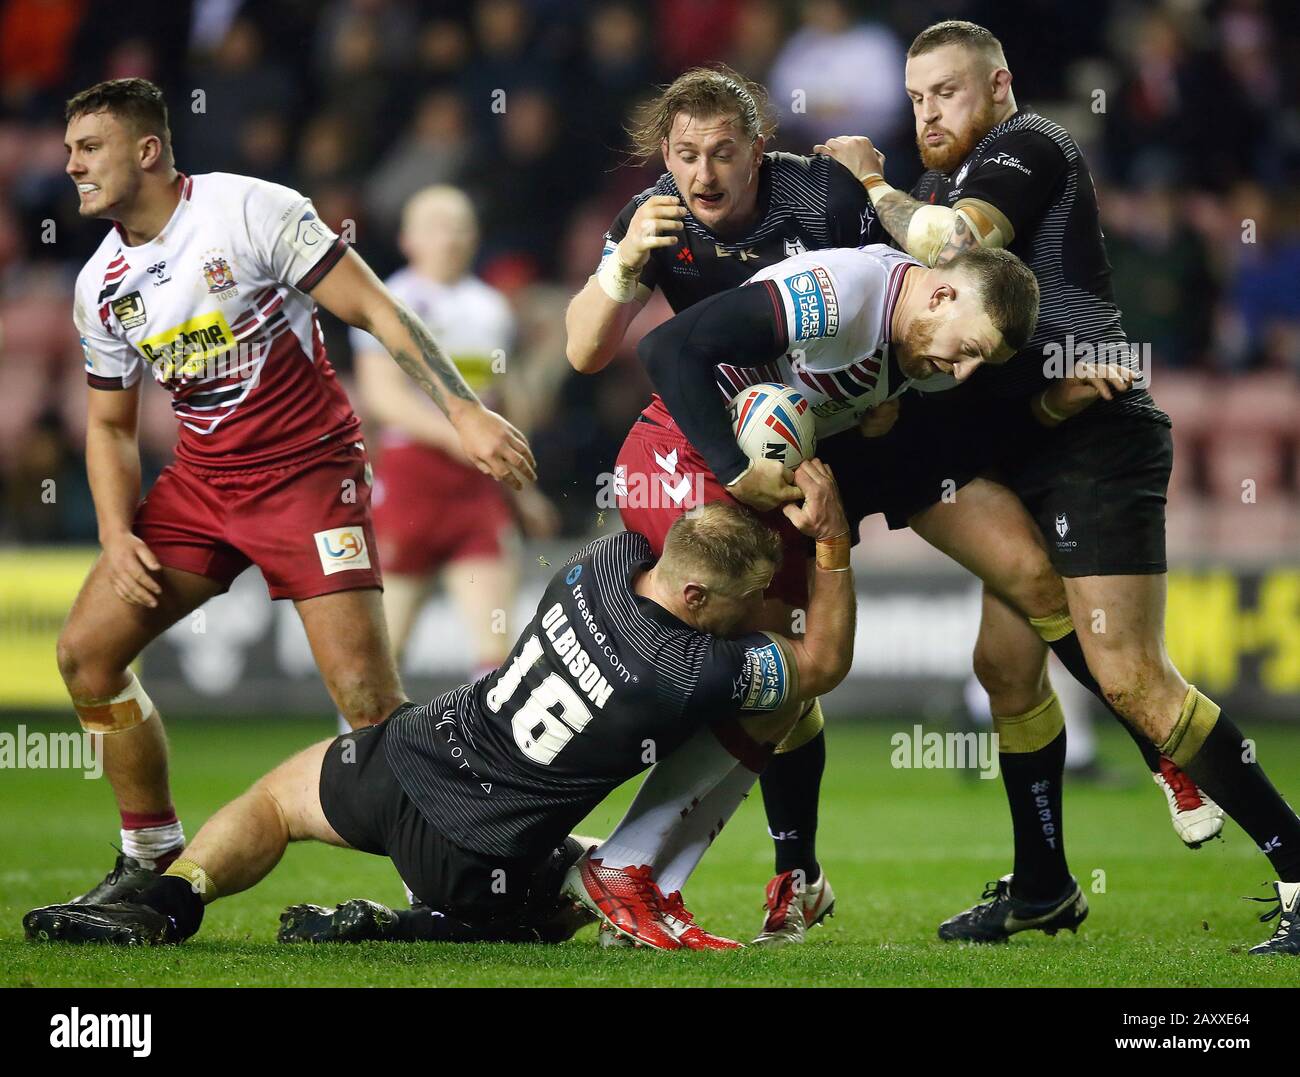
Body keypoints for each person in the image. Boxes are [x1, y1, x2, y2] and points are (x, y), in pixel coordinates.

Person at [816, 20, 1298, 954]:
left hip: (1097, 442)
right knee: (1003, 668)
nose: (928, 114)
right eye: (916, 99)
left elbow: (958, 242)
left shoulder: (1027, 147)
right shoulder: (933, 191)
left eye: (946, 93)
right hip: (1029, 442)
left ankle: (1295, 859)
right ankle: (1042, 887)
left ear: (998, 86)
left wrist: (867, 182)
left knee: (1130, 675)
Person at [54, 78, 534, 907]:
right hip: (201, 487)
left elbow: (377, 310)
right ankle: (149, 855)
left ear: (148, 150)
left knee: (371, 710)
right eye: (67, 152)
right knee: (86, 656)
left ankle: (476, 876)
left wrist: (465, 412)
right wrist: (112, 530)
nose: (71, 167)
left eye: (88, 148)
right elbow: (109, 428)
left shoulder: (249, 212)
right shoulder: (101, 284)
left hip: (310, 477)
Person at [24, 483, 858, 951]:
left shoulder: (598, 565)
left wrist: (743, 488)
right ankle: (406, 927)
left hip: (412, 747)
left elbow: (664, 526)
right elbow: (819, 667)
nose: (755, 618)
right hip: (479, 847)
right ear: (695, 596)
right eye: (745, 605)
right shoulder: (686, 672)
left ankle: (171, 898)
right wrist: (830, 546)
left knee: (275, 802)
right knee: (574, 896)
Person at [352, 185, 558, 680]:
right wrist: (461, 437)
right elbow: (384, 398)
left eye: (461, 225)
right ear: (409, 239)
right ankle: (360, 753)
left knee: (496, 653)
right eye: (437, 226)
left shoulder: (490, 308)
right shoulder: (387, 300)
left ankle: (486, 755)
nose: (451, 237)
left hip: (476, 487)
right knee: (384, 654)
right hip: (410, 482)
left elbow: (502, 403)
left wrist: (524, 488)